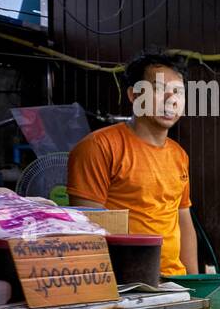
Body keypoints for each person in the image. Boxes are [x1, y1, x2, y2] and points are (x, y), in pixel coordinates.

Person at [67, 52, 196, 276]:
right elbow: (88, 224)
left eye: (178, 92)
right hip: (125, 283)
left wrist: (197, 283)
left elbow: (184, 221)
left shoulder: (179, 155)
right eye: (157, 89)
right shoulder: (99, 147)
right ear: (134, 95)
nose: (170, 99)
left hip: (175, 281)